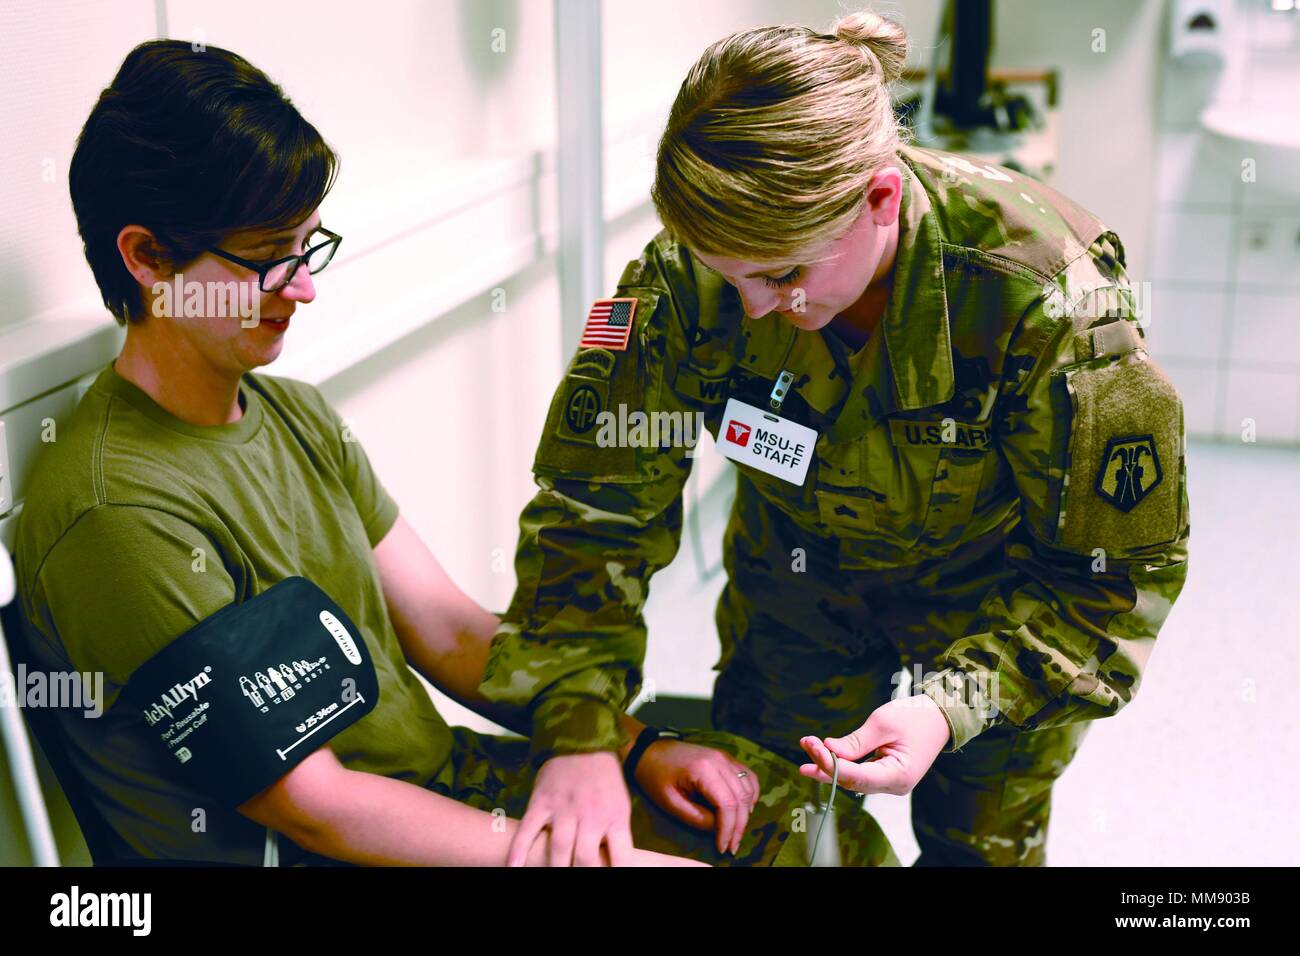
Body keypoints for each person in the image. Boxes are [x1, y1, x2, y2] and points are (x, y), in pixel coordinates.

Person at [14, 38, 895, 868]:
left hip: (442, 785)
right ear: (146, 259)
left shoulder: (294, 416)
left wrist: (631, 747)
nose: (306, 288)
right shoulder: (115, 512)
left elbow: (450, 631)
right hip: (337, 848)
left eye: (305, 247)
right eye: (267, 261)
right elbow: (319, 807)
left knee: (808, 825)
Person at [482, 8, 1190, 867]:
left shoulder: (1049, 297)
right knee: (768, 829)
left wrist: (950, 705)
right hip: (798, 586)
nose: (749, 309)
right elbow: (592, 519)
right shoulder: (683, 282)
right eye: (728, 277)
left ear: (881, 198)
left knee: (980, 851)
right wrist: (581, 734)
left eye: (782, 276)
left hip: (1002, 609)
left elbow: (1110, 582)